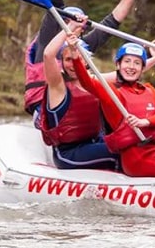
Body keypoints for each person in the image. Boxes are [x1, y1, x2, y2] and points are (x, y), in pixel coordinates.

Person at [24, 0, 141, 129]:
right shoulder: (47, 44)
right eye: (65, 23)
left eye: (77, 27)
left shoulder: (83, 46)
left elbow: (112, 22)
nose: (72, 29)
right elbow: (55, 0)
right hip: (46, 111)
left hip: (75, 109)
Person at [68, 34, 155, 181]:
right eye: (127, 61)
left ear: (142, 68)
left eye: (137, 63)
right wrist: (75, 56)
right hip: (137, 158)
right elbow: (87, 82)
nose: (131, 67)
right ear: (118, 65)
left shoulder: (149, 89)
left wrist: (145, 122)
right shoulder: (113, 94)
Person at [38, 19, 120, 170]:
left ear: (87, 63)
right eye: (67, 59)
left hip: (95, 143)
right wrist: (70, 27)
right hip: (69, 154)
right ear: (61, 62)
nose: (72, 64)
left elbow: (124, 75)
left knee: (127, 142)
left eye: (77, 59)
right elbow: (48, 55)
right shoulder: (58, 84)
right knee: (120, 150)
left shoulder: (93, 81)